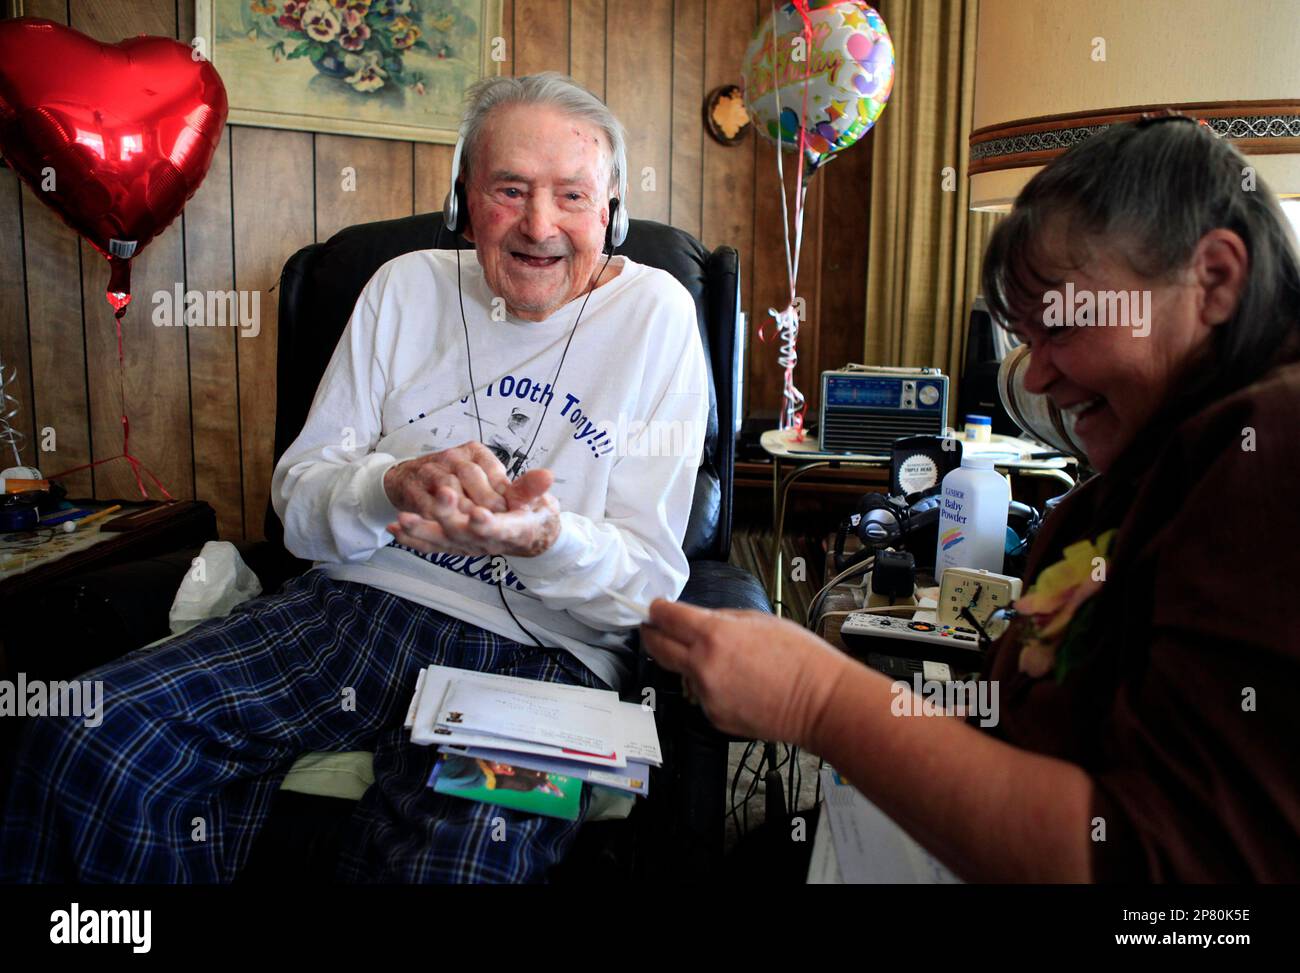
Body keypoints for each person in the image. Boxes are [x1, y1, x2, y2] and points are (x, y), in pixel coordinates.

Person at [0, 72, 708, 883]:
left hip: (546, 662)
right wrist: (390, 485)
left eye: (572, 196)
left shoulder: (658, 316)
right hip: (344, 612)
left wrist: (547, 539)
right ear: (463, 201)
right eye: (509, 190)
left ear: (612, 208)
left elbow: (647, 583)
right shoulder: (404, 288)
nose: (539, 225)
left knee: (464, 862)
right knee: (89, 738)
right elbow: (297, 510)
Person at [644, 115, 1300, 882]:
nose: (1042, 375)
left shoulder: (1276, 448)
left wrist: (816, 699)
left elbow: (1169, 878)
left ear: (1215, 279)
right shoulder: (1160, 456)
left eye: (1061, 326)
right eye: (1027, 339)